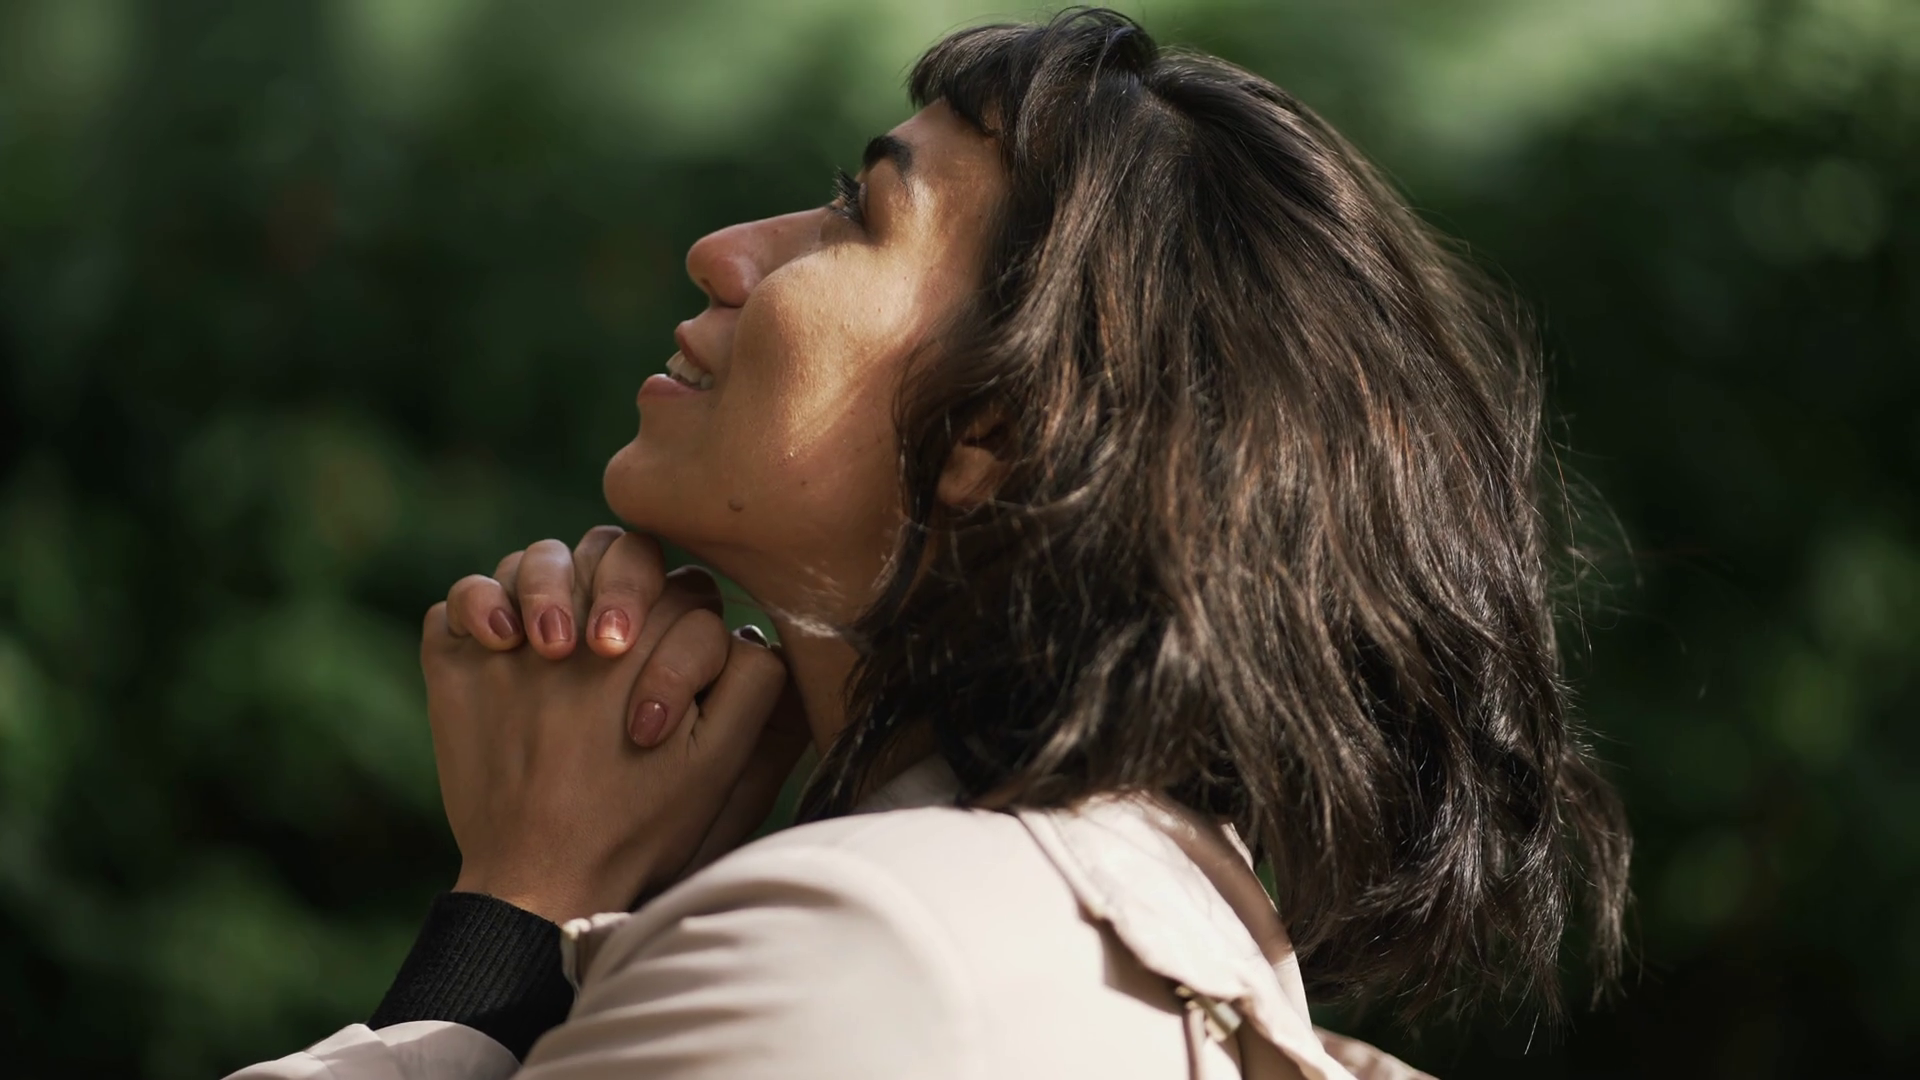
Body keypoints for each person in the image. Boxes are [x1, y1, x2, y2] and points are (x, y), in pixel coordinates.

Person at [229, 9, 1630, 1079]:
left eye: (858, 213)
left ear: (997, 433)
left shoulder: (869, 955)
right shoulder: (1117, 957)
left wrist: (516, 916)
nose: (724, 252)